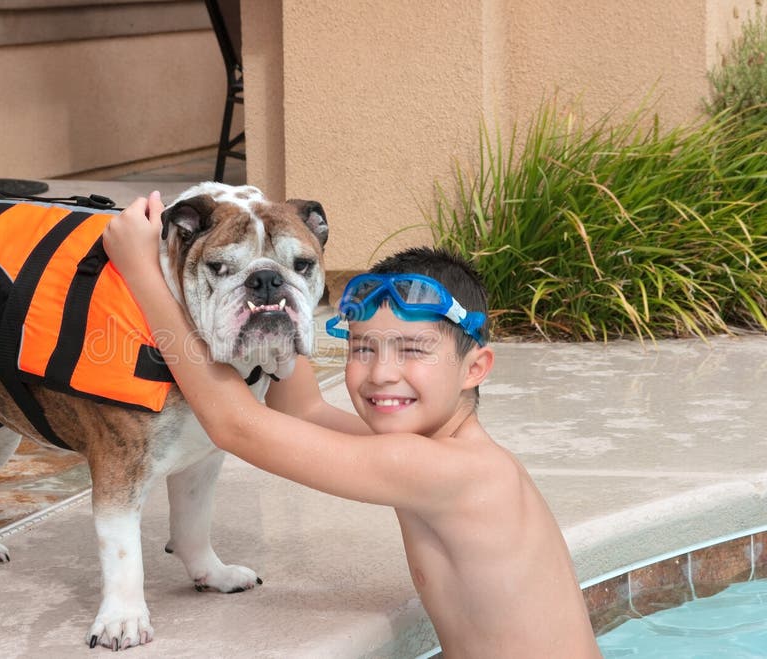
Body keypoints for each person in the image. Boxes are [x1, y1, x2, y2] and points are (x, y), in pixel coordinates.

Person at [102, 191, 601, 658]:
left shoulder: (442, 468)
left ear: (475, 368)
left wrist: (143, 272)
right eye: (363, 348)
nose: (381, 373)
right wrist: (276, 317)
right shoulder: (427, 444)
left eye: (411, 350)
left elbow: (236, 426)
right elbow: (304, 412)